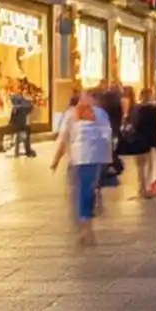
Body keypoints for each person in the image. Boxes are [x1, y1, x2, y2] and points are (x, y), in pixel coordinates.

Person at [50, 92, 112, 247]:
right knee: (87, 190)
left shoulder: (70, 115)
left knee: (77, 194)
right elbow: (107, 136)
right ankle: (86, 225)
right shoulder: (101, 114)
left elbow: (63, 139)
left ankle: (83, 227)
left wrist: (56, 160)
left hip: (77, 159)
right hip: (96, 158)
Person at [122, 88, 156, 199]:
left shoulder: (135, 109)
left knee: (140, 166)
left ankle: (141, 187)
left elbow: (131, 123)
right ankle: (146, 188)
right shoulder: (154, 109)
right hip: (149, 140)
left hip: (137, 139)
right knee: (148, 165)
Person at [8, 86, 36, 158]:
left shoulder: (16, 102)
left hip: (18, 122)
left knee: (18, 136)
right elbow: (30, 108)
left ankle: (17, 152)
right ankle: (27, 151)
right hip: (24, 122)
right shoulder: (25, 102)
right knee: (25, 136)